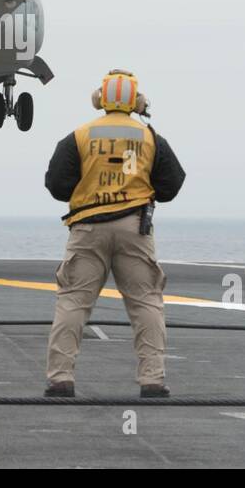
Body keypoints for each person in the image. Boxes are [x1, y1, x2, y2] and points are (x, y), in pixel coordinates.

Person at [42, 69, 186, 398]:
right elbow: (171, 186)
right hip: (135, 228)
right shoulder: (149, 137)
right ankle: (152, 380)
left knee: (74, 302)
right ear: (136, 101)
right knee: (146, 303)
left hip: (88, 229)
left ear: (99, 99)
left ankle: (60, 379)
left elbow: (57, 185)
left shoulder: (80, 136)